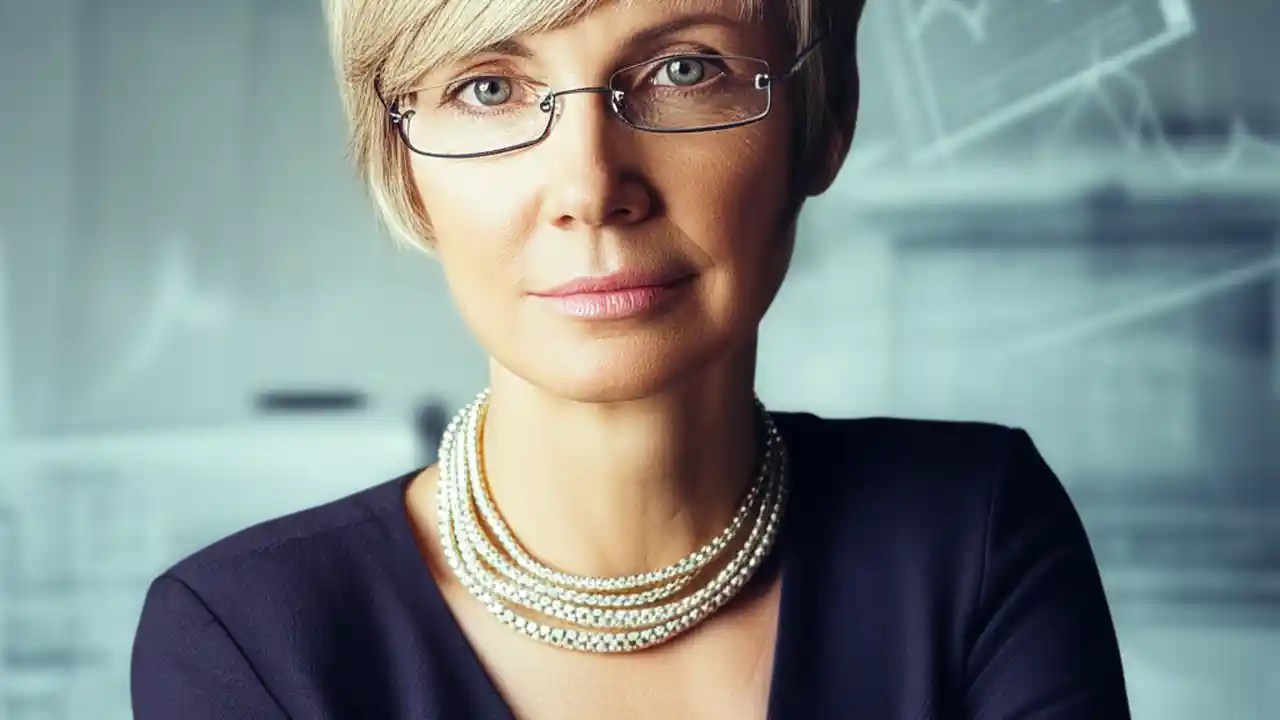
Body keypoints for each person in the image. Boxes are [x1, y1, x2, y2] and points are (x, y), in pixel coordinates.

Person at [130, 0, 1131, 717]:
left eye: (684, 68)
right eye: (488, 86)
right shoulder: (245, 639)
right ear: (403, 166)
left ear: (822, 119)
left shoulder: (977, 532)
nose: (589, 185)